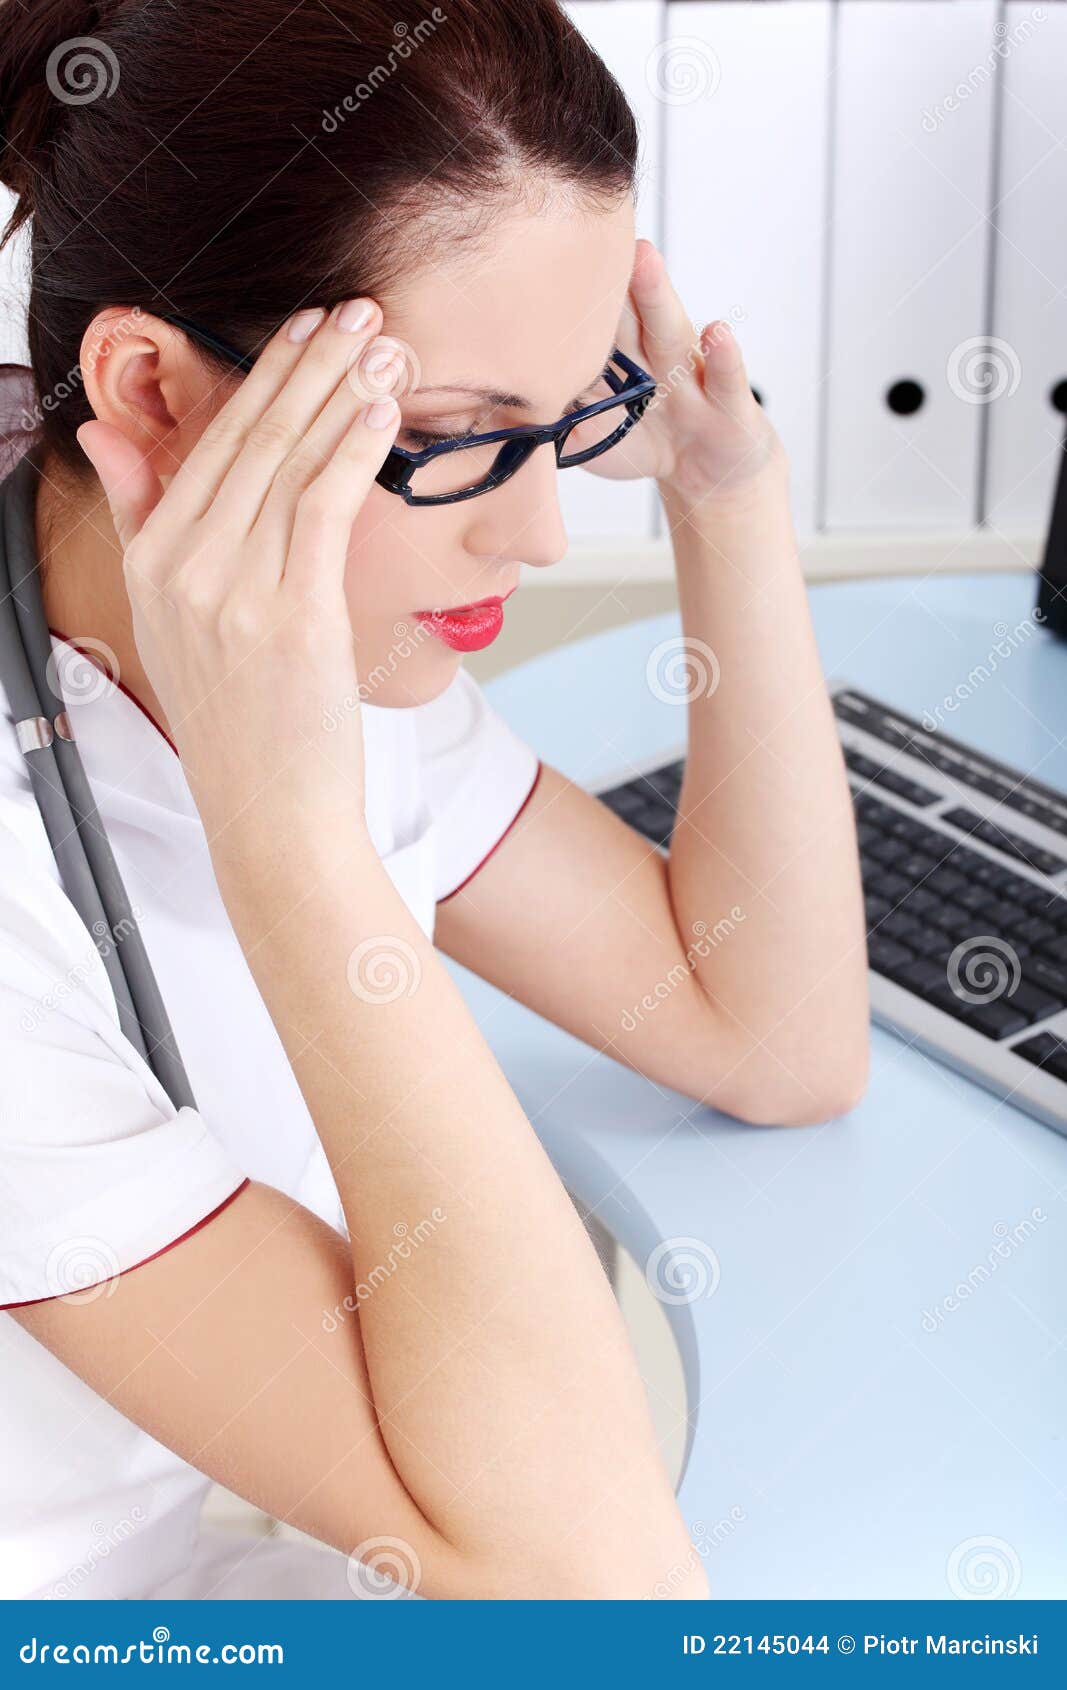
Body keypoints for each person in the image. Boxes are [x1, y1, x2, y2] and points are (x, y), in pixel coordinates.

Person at [0, 0, 869, 1601]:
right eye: (463, 438)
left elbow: (773, 1031)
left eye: (571, 408)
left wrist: (723, 493)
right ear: (155, 390)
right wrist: (294, 838)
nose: (539, 535)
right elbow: (592, 1588)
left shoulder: (311, 632)